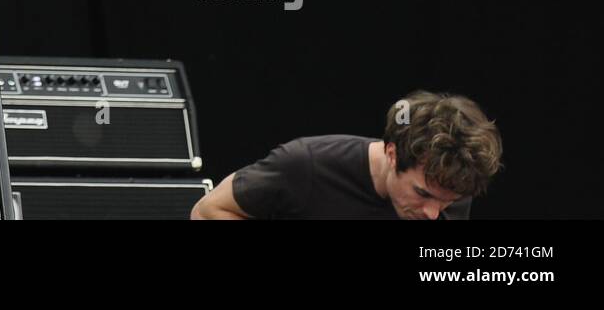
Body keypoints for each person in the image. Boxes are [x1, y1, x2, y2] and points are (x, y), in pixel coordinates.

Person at [191, 90, 502, 220]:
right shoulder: (306, 166)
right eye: (422, 193)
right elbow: (206, 211)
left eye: (445, 202)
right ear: (392, 153)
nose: (433, 214)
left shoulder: (454, 185)